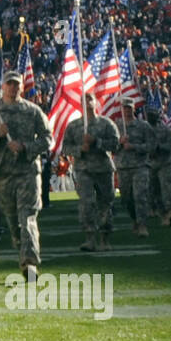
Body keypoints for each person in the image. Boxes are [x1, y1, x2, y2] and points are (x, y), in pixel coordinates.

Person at [0, 71, 52, 274]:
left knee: (27, 217)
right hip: (3, 175)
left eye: (16, 84)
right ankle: (21, 249)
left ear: (22, 87)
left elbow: (48, 138)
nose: (13, 87)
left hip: (27, 172)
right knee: (13, 221)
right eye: (9, 83)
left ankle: (29, 262)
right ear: (3, 86)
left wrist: (26, 147)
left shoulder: (32, 111)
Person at [62, 95, 120, 252]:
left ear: (96, 103)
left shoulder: (106, 124)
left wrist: (97, 142)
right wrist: (79, 149)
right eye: (84, 100)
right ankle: (89, 238)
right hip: (83, 170)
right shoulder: (74, 126)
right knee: (86, 204)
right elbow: (65, 147)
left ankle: (105, 238)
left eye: (90, 99)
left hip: (103, 169)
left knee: (105, 204)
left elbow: (116, 144)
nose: (87, 103)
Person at [115, 101, 155, 237]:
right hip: (123, 167)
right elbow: (109, 146)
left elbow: (151, 145)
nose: (126, 111)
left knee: (140, 195)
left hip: (140, 165)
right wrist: (119, 143)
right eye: (124, 108)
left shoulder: (143, 126)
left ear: (133, 109)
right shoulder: (116, 126)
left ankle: (143, 225)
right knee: (127, 199)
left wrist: (135, 147)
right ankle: (135, 220)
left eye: (129, 108)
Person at [147, 108, 171, 227]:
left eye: (153, 115)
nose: (151, 117)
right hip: (150, 165)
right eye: (149, 115)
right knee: (155, 191)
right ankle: (163, 214)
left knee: (167, 188)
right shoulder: (144, 131)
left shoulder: (166, 130)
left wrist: (159, 147)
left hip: (165, 163)